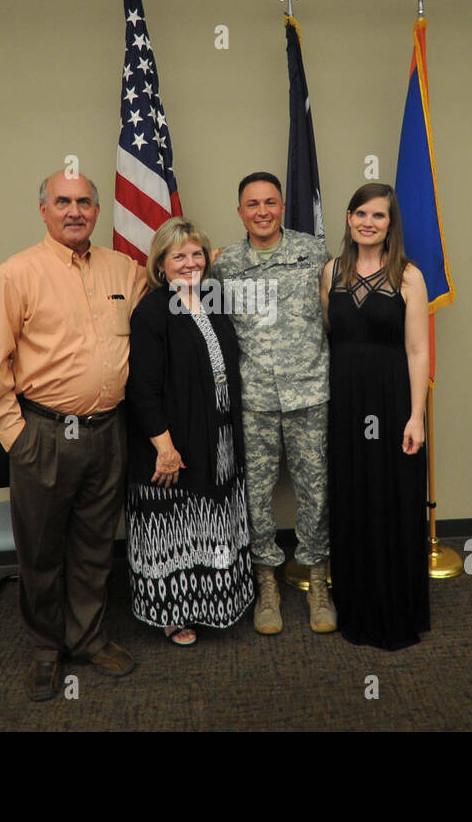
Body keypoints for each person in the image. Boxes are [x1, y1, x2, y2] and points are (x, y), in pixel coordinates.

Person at [0, 170, 146, 701]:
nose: (75, 211)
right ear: (44, 210)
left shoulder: (125, 269)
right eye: (63, 202)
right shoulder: (15, 275)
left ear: (97, 211)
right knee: (42, 554)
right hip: (43, 436)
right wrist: (17, 438)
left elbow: (174, 298)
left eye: (85, 203)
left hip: (108, 433)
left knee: (95, 548)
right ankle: (47, 650)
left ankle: (89, 639)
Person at [212, 172, 335, 635]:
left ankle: (317, 581)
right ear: (240, 210)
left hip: (309, 392)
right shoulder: (224, 265)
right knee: (257, 497)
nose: (262, 211)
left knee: (315, 491)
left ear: (283, 206)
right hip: (256, 399)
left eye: (270, 202)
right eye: (252, 204)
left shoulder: (312, 252)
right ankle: (265, 583)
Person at [125, 218, 254, 646]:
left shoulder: (212, 302)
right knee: (178, 529)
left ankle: (215, 602)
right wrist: (164, 447)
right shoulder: (151, 311)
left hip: (217, 434)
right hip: (172, 441)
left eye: (197, 253)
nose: (190, 262)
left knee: (212, 521)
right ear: (160, 263)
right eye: (178, 255)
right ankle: (175, 612)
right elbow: (142, 387)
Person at [320, 182, 430, 650]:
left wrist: (416, 417)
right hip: (344, 403)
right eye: (360, 213)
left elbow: (418, 349)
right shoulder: (330, 273)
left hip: (392, 404)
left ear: (391, 224)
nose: (368, 222)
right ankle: (356, 605)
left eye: (378, 215)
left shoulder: (409, 276)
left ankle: (394, 607)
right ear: (348, 218)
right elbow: (332, 336)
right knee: (352, 497)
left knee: (392, 497)